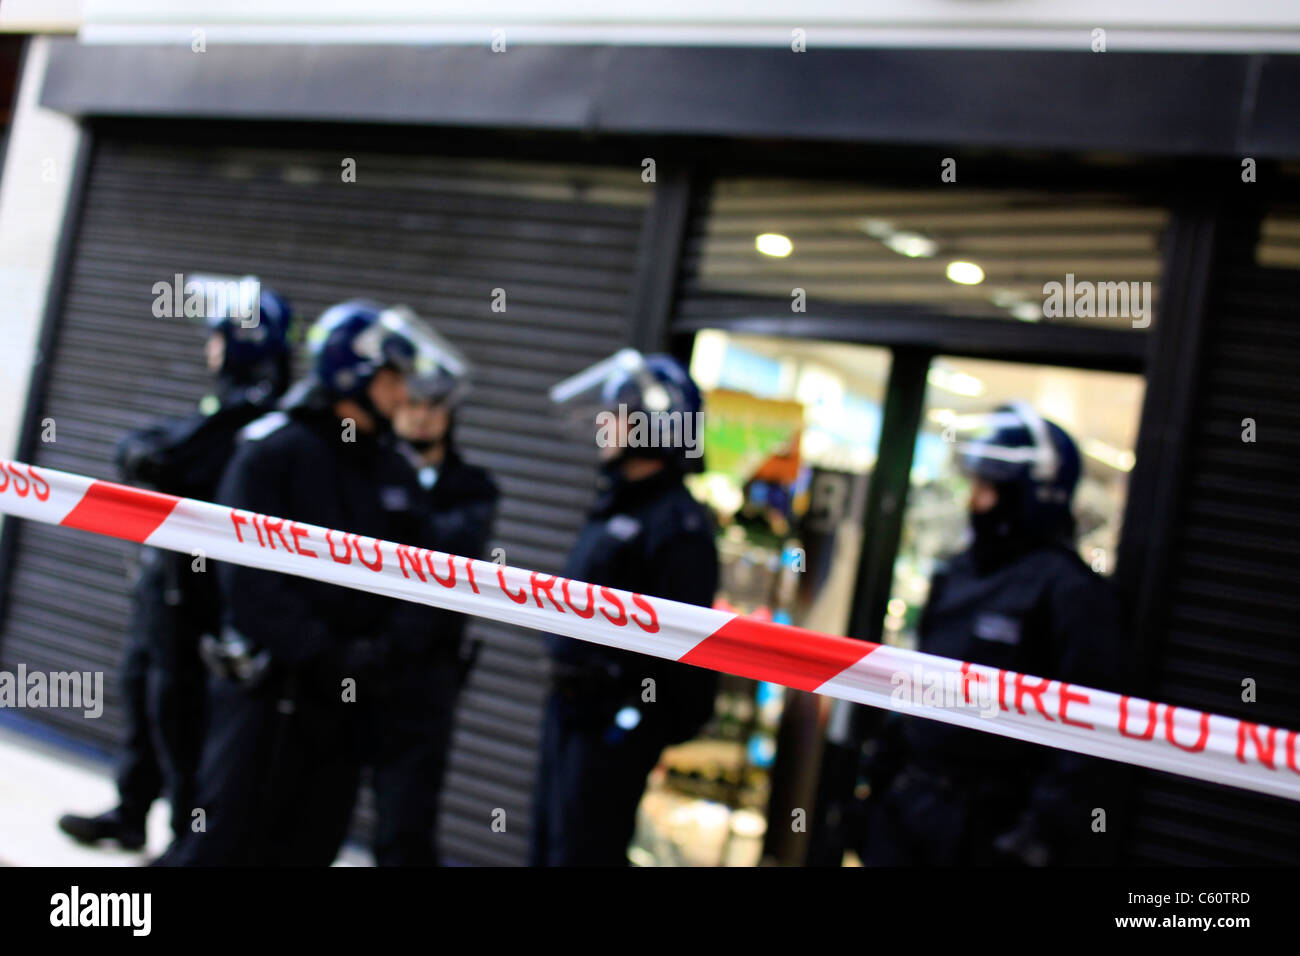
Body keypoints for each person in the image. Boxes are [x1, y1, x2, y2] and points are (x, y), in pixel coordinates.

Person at [158, 299, 434, 866]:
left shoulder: (394, 471)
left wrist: (379, 654)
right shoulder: (273, 451)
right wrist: (324, 651)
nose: (403, 396)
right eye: (392, 380)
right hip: (265, 695)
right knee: (221, 844)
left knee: (311, 846)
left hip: (344, 707)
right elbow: (247, 579)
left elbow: (424, 576)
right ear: (352, 374)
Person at [58, 281, 293, 851]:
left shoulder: (256, 413)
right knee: (140, 690)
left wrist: (150, 456)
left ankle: (184, 844)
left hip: (198, 594)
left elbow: (167, 454)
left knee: (179, 712)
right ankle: (131, 810)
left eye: (218, 336)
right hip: (161, 585)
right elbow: (150, 446)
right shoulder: (225, 405)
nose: (210, 347)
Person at [857, 402, 1126, 866]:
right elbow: (919, 680)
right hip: (911, 804)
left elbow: (1092, 729)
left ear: (1030, 494)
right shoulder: (959, 573)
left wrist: (1039, 832)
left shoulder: (1070, 592)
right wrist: (879, 774)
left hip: (988, 825)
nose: (973, 501)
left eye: (987, 488)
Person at [530, 350, 720, 867]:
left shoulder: (679, 526)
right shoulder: (617, 502)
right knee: (547, 846)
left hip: (610, 728)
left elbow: (680, 653)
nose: (603, 426)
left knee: (583, 852)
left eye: (614, 415)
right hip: (569, 714)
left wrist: (629, 723)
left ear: (651, 425)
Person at [370, 311, 499, 866]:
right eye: (412, 405)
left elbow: (451, 547)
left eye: (434, 407)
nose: (421, 418)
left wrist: (402, 509)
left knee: (407, 818)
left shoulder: (473, 487)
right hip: (358, 658)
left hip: (427, 673)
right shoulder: (369, 471)